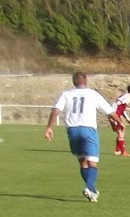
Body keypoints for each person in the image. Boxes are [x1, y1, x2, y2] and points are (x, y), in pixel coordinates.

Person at [43, 72, 121, 202]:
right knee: (92, 162)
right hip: (88, 129)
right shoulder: (93, 94)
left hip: (72, 130)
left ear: (74, 82)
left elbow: (56, 110)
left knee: (82, 161)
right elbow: (110, 112)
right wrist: (120, 122)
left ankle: (92, 191)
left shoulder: (66, 94)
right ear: (86, 81)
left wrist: (49, 127)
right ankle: (89, 187)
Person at [112, 83, 130, 156]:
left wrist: (128, 119)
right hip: (115, 116)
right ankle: (123, 152)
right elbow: (116, 103)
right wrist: (112, 115)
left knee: (122, 130)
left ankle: (117, 150)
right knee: (120, 133)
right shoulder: (127, 96)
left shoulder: (127, 97)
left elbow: (122, 110)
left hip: (117, 116)